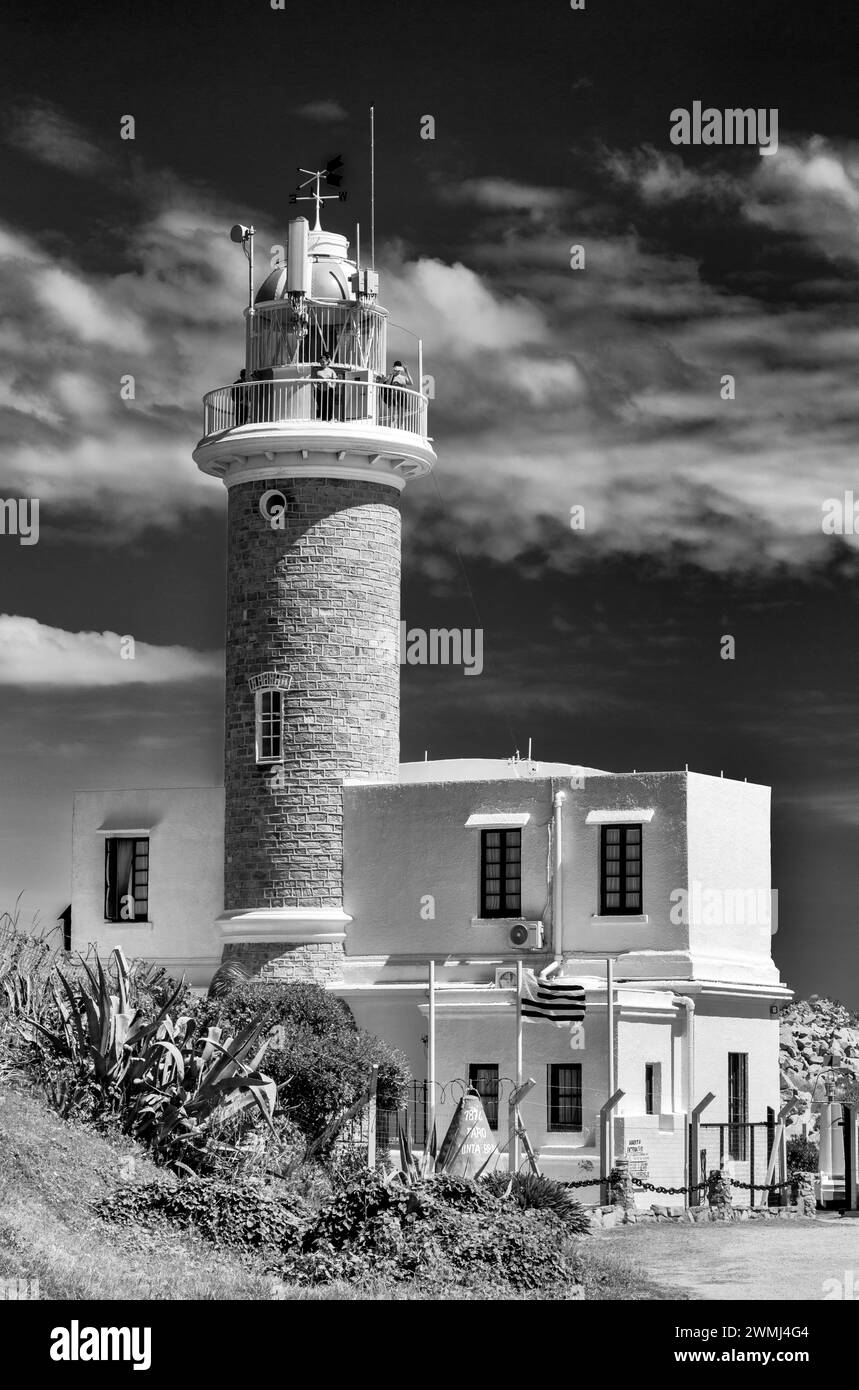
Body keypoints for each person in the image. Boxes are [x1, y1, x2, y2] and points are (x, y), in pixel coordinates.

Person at [384, 359, 413, 426]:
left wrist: (407, 372)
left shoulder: (403, 377)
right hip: (393, 396)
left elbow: (411, 383)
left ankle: (401, 428)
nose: (397, 370)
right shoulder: (391, 376)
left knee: (402, 415)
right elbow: (388, 384)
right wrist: (392, 374)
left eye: (399, 368)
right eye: (396, 368)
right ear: (394, 368)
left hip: (402, 396)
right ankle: (392, 428)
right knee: (393, 415)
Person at [313, 353, 339, 421]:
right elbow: (313, 380)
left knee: (329, 405)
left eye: (323, 362)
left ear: (327, 362)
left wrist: (332, 386)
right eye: (320, 362)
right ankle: (323, 419)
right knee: (321, 405)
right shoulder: (317, 371)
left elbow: (334, 380)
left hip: (328, 390)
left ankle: (329, 419)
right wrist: (315, 386)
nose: (322, 363)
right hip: (319, 390)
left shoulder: (331, 371)